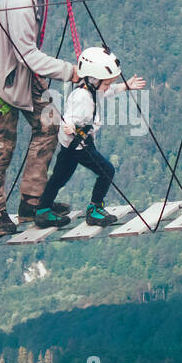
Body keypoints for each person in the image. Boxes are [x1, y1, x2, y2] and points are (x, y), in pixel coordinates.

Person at [0, 0, 129, 235]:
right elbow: (29, 56)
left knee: (49, 128)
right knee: (2, 145)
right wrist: (72, 72)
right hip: (1, 80)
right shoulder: (19, 1)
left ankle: (32, 201)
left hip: (26, 77)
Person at [34, 46, 146, 228]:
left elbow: (109, 91)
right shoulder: (82, 97)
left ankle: (43, 211)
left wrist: (126, 86)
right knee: (106, 171)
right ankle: (94, 209)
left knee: (60, 177)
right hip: (80, 146)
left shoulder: (93, 90)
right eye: (106, 83)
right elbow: (69, 117)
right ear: (94, 79)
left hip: (72, 145)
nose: (108, 87)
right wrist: (68, 126)